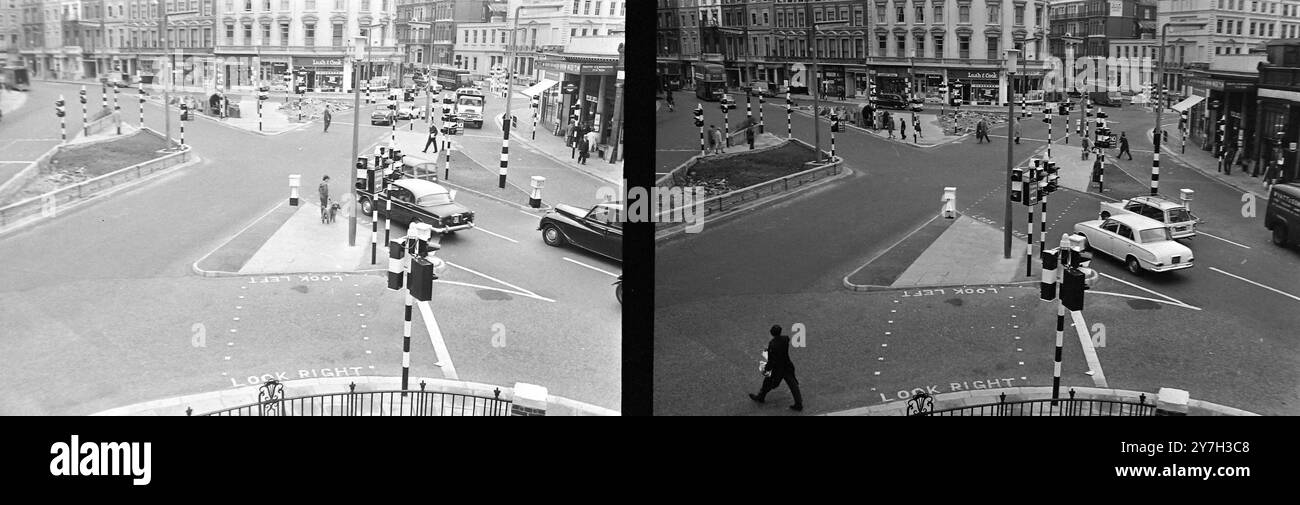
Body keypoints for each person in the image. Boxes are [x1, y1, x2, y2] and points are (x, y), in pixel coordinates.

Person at [749, 324, 803, 412]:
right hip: (787, 365)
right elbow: (783, 343)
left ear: (772, 333)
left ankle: (761, 397)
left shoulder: (772, 344)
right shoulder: (785, 339)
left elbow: (771, 360)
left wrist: (766, 368)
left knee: (768, 382)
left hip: (777, 369)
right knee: (793, 384)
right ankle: (799, 403)